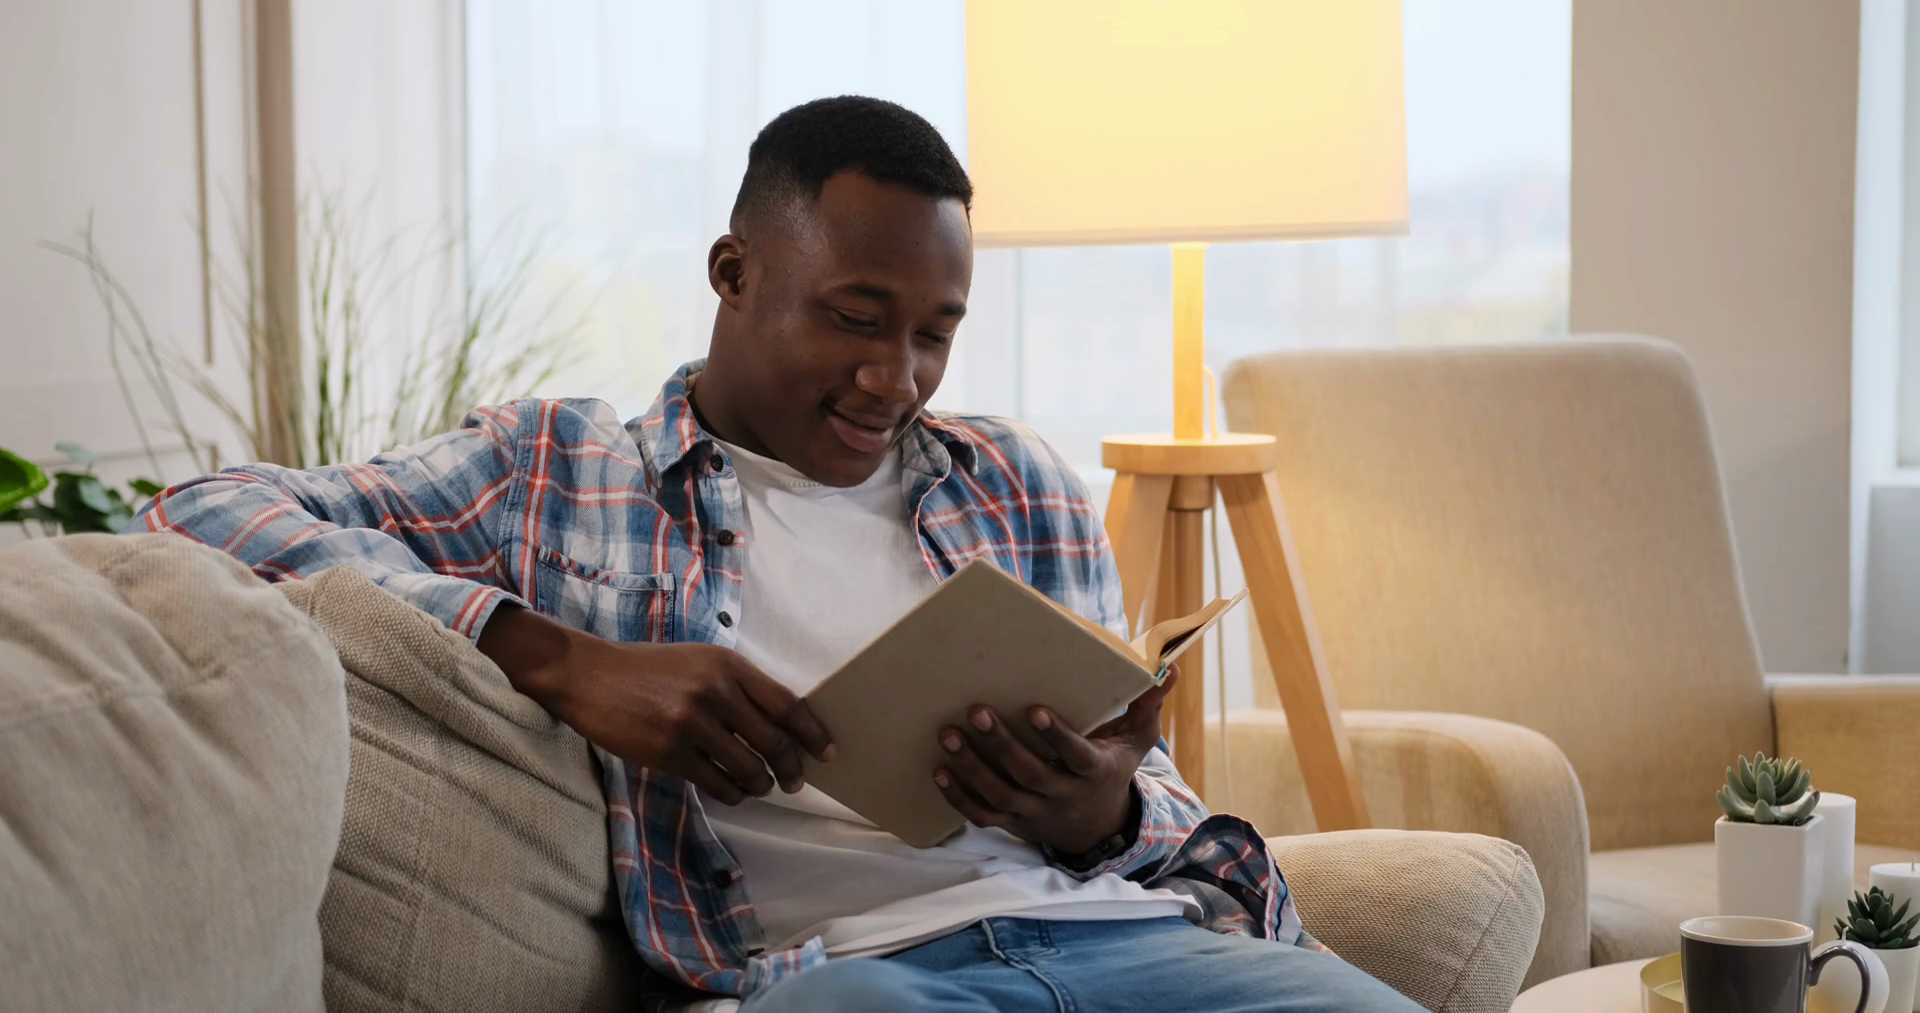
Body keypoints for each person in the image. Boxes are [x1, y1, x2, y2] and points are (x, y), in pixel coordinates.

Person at [134, 96, 1419, 1013]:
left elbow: (1157, 810)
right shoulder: (557, 467)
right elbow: (201, 510)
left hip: (1131, 939)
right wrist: (565, 660)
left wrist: (1100, 807)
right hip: (846, 977)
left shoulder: (1020, 483)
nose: (894, 377)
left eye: (935, 334)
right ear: (735, 272)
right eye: (857, 318)